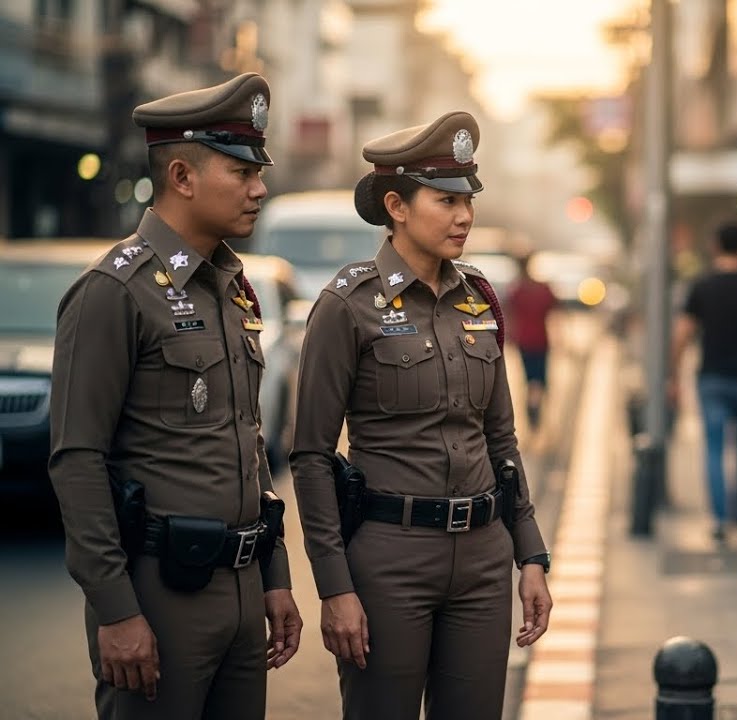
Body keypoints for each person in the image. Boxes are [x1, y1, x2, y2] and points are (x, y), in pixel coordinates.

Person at [48, 72, 302, 720]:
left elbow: (248, 445)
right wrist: (117, 610)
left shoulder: (231, 288)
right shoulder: (114, 292)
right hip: (161, 594)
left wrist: (273, 577)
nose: (260, 188)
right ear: (183, 177)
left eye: (258, 172)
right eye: (241, 173)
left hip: (243, 589)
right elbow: (78, 461)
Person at [290, 111, 553, 720]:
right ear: (397, 206)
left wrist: (530, 556)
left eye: (468, 200)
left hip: (484, 560)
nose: (464, 215)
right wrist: (335, 587)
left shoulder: (479, 298)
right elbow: (309, 456)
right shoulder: (346, 305)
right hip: (390, 560)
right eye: (445, 200)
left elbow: (501, 439)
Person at [670, 221, 737, 541]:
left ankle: (719, 518)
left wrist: (673, 375)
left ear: (716, 246)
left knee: (714, 448)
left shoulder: (701, 286)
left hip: (712, 379)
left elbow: (682, 335)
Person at [506, 254, 558, 427]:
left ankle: (532, 405)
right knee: (540, 377)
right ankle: (536, 405)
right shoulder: (542, 288)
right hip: (541, 340)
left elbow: (509, 314)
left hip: (524, 341)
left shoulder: (517, 289)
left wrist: (510, 335)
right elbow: (555, 310)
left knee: (529, 378)